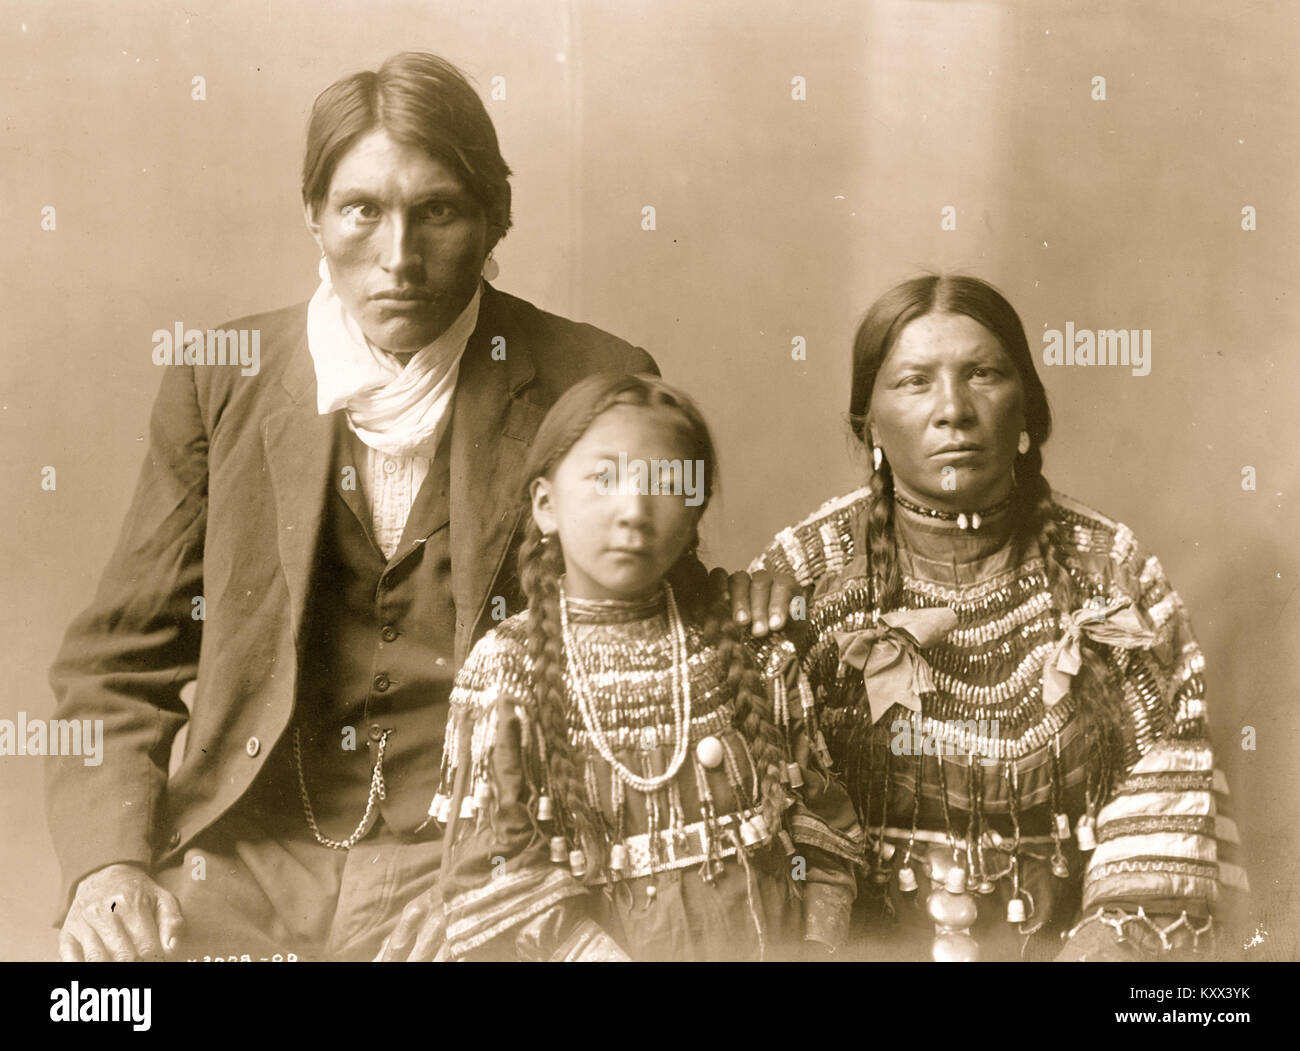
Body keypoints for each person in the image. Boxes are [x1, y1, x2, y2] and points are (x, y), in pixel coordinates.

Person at [45, 51, 791, 963]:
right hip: (251, 853)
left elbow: (653, 607)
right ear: (314, 215)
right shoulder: (221, 379)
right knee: (99, 999)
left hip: (478, 856)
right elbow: (118, 662)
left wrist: (753, 596)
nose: (398, 258)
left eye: (437, 211)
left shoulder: (590, 376)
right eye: (362, 210)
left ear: (494, 220)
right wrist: (109, 865)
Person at [748, 274, 1249, 961]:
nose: (953, 410)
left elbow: (1160, 819)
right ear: (869, 425)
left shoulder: (1111, 575)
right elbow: (771, 833)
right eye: (915, 382)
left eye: (982, 374)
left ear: (1026, 413)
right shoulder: (807, 581)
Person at [401, 373, 863, 961]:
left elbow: (825, 839)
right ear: (546, 505)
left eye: (666, 484)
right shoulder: (508, 668)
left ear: (694, 514)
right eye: (604, 479)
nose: (634, 511)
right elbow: (500, 881)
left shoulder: (751, 652)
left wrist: (817, 950)